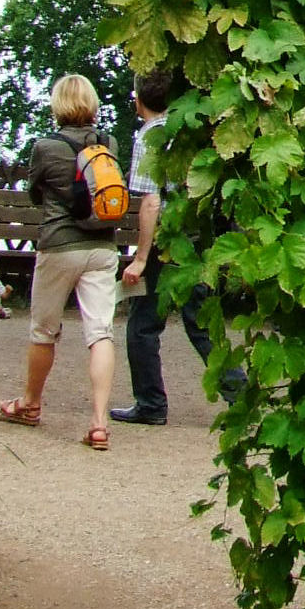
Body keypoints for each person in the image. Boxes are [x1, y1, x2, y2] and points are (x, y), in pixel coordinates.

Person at [0, 73, 122, 450]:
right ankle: (99, 423)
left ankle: (30, 404)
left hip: (59, 246)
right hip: (103, 248)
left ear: (57, 105)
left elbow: (36, 193)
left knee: (43, 330)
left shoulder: (44, 147)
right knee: (100, 332)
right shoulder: (109, 143)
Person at [108, 69, 228, 427]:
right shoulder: (186, 132)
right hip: (195, 238)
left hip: (165, 243)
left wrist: (141, 258)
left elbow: (150, 202)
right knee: (200, 322)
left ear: (138, 100)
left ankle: (150, 403)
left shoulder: (149, 138)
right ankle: (239, 395)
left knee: (143, 325)